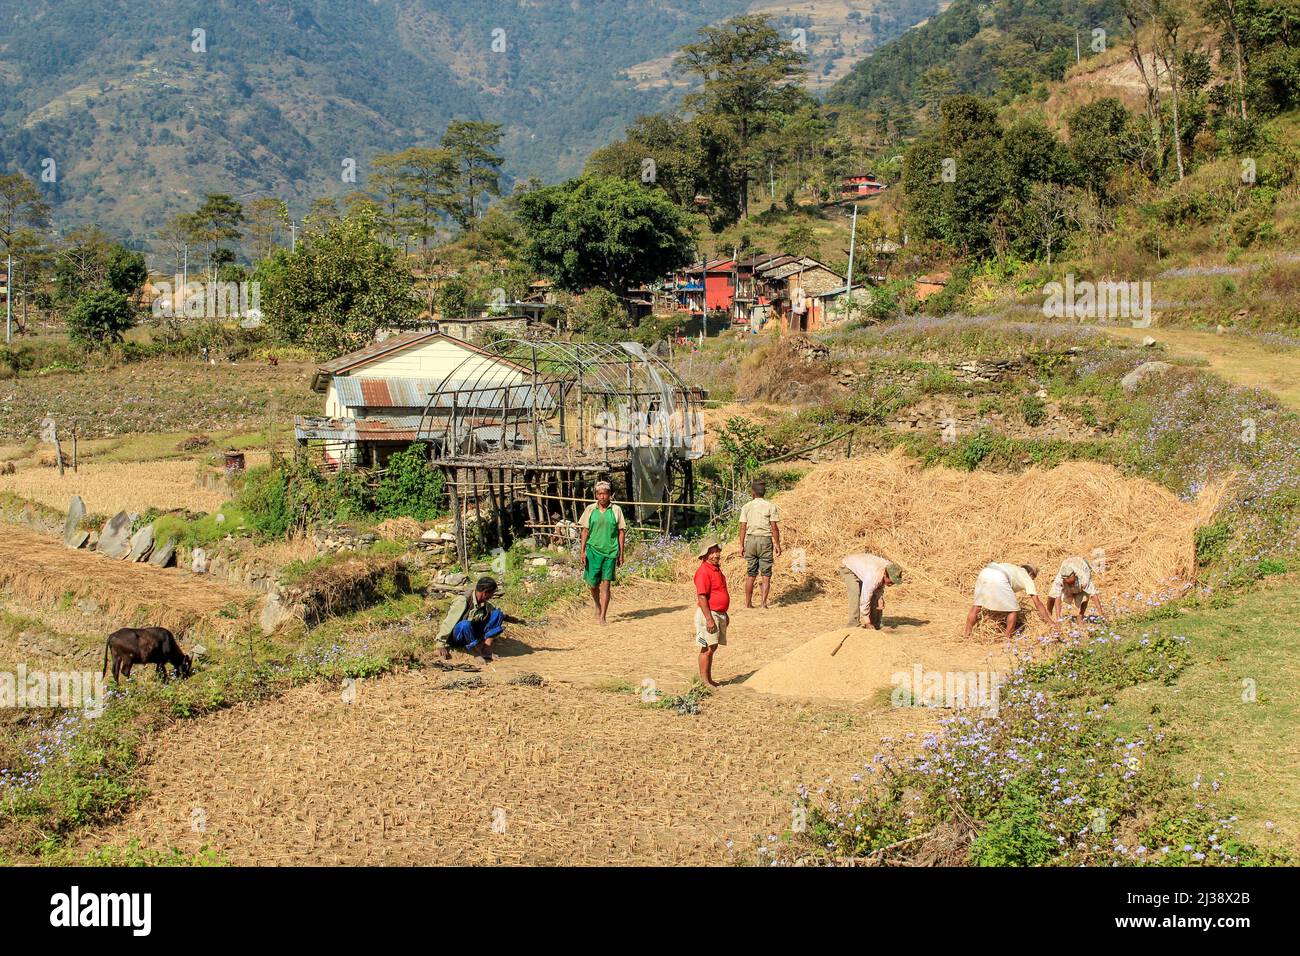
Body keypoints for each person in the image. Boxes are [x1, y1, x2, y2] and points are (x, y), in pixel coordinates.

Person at [578, 480, 627, 625]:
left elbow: (621, 532)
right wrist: (582, 551)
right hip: (593, 551)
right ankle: (597, 606)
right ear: (596, 495)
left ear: (609, 495)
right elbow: (585, 531)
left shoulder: (616, 510)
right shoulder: (590, 509)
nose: (602, 496)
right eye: (599, 494)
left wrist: (621, 553)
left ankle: (603, 616)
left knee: (606, 584)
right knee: (593, 584)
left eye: (605, 493)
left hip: (610, 552)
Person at [964, 562, 1055, 639]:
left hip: (985, 572)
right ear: (1031, 574)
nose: (1032, 580)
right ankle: (1007, 638)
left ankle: (966, 634)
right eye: (1033, 578)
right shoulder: (1027, 577)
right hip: (999, 576)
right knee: (1013, 610)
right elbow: (1037, 603)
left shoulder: (1013, 567)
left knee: (977, 605)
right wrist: (1050, 622)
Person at [436, 577, 504, 662]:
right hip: (458, 636)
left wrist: (511, 619)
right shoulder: (462, 601)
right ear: (485, 593)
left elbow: (496, 615)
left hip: (472, 634)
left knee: (498, 613)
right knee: (465, 624)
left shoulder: (484, 603)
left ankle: (486, 650)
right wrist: (440, 644)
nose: (491, 597)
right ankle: (476, 652)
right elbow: (449, 622)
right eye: (492, 594)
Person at [738, 478, 781, 609]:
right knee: (766, 574)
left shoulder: (746, 507)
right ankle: (763, 603)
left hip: (750, 540)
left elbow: (742, 527)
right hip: (765, 541)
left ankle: (748, 603)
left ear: (753, 493)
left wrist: (741, 545)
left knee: (751, 573)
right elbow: (774, 527)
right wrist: (777, 544)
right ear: (764, 492)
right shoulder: (770, 506)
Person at [693, 537, 730, 688]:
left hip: (717, 613)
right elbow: (702, 597)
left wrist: (724, 613)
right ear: (705, 555)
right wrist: (709, 619)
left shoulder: (716, 569)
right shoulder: (703, 571)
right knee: (707, 647)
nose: (715, 555)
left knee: (712, 646)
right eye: (711, 552)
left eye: (716, 551)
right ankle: (704, 681)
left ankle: (708, 679)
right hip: (709, 614)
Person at [840, 554, 903, 629]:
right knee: (855, 594)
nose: (892, 584)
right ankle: (853, 625)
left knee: (877, 598)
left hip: (865, 567)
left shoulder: (891, 568)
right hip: (848, 566)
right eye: (891, 581)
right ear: (885, 575)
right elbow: (865, 600)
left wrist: (880, 598)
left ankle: (875, 624)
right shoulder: (872, 578)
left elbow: (879, 585)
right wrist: (867, 622)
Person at [1047, 556, 1105, 621]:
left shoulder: (1084, 578)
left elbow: (1094, 595)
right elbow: (1057, 597)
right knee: (1052, 594)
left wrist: (1101, 615)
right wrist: (1058, 618)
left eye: (1072, 582)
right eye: (1069, 583)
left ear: (1075, 575)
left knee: (1085, 596)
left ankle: (1080, 616)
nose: (1071, 585)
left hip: (1081, 564)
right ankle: (1048, 614)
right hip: (1067, 563)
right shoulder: (1059, 579)